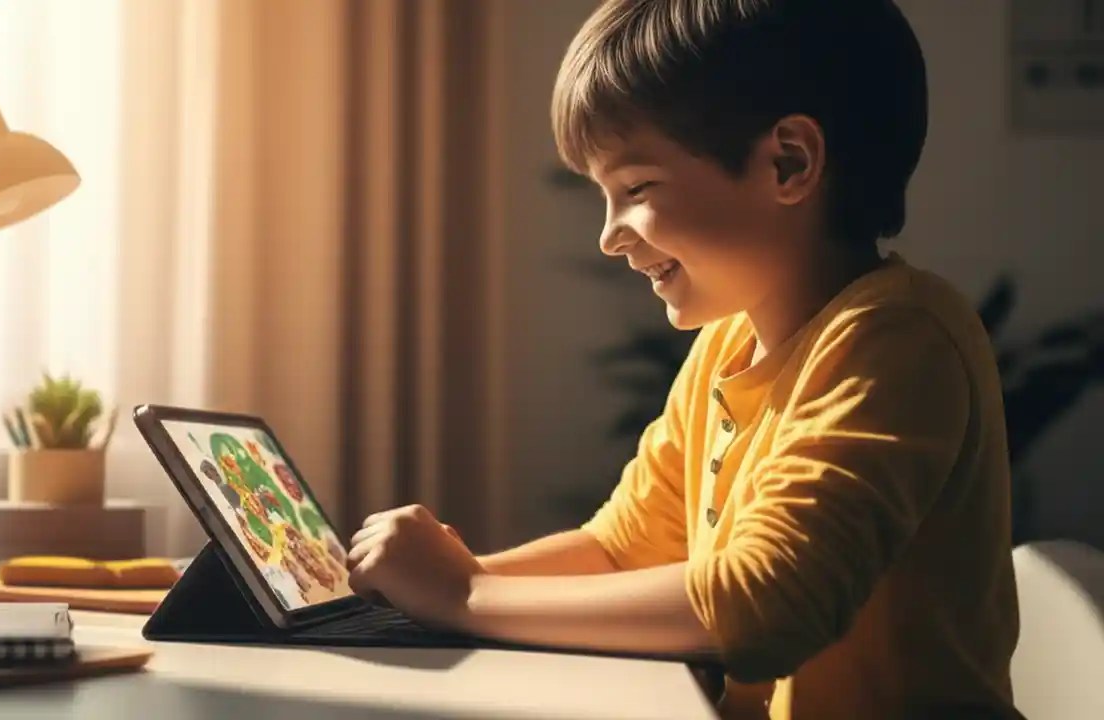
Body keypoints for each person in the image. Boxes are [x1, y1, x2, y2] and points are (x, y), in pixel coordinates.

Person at [345, 1, 1022, 718]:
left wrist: (465, 595)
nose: (609, 237)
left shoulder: (898, 338)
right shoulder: (728, 345)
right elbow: (620, 549)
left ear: (789, 162)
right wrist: (442, 581)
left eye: (635, 189)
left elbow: (768, 604)